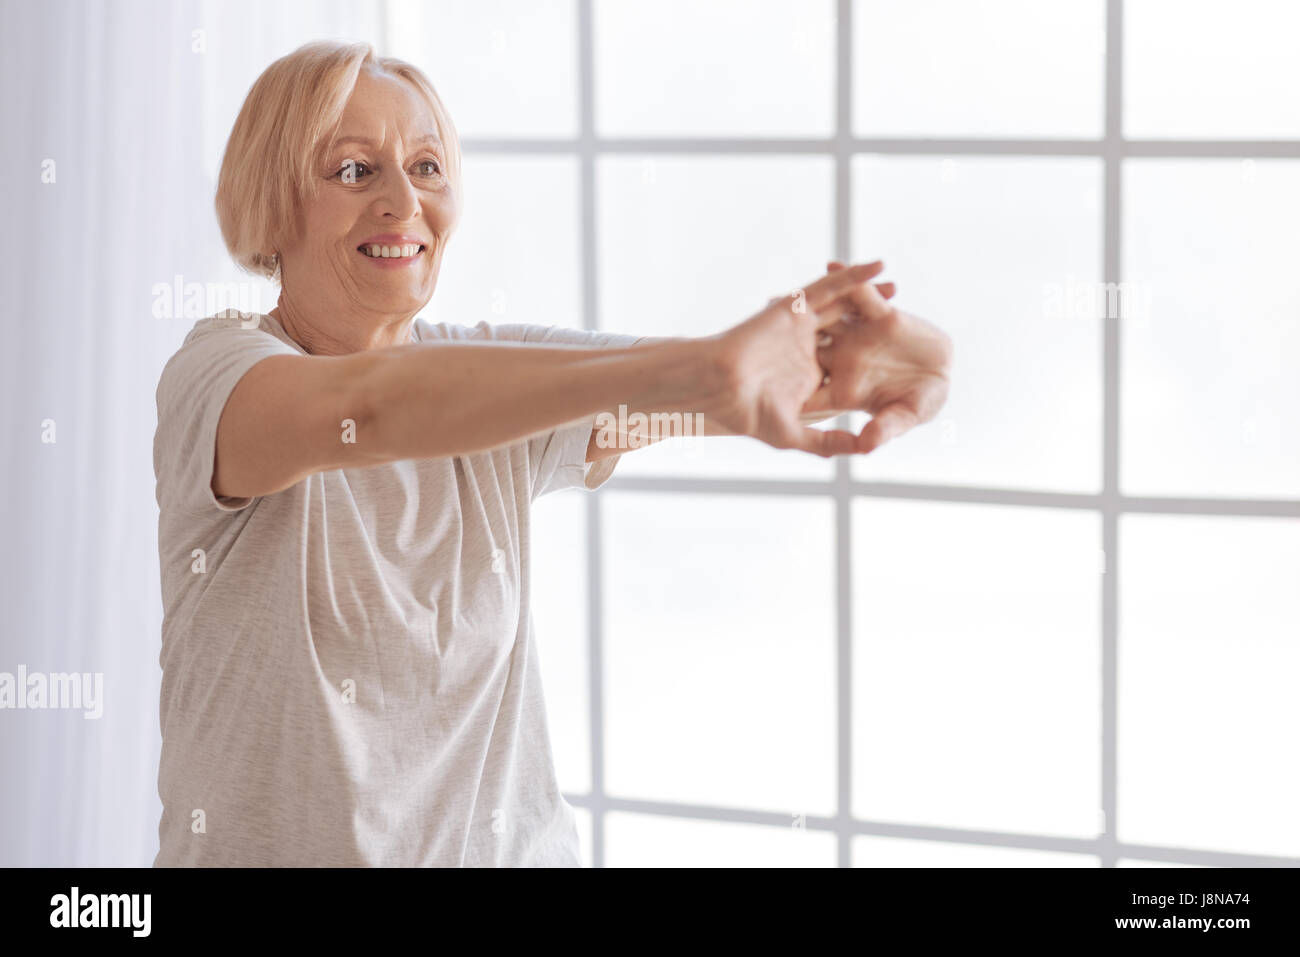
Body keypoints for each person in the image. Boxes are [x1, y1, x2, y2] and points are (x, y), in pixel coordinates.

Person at [152, 39, 952, 866]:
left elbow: (726, 387)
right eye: (354, 170)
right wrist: (707, 369)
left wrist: (871, 366)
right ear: (274, 200)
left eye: (426, 167)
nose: (404, 201)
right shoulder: (220, 375)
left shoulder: (503, 377)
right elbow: (370, 409)